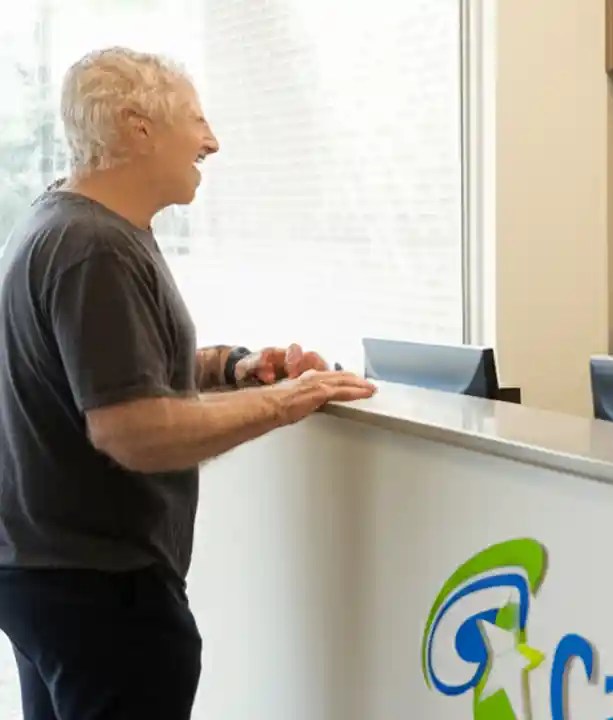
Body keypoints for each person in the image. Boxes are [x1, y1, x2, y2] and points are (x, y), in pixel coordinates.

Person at [0, 47, 377, 719]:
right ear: (137, 126)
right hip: (101, 589)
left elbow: (100, 367)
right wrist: (286, 400)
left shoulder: (59, 225)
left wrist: (228, 367)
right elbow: (131, 431)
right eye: (197, 120)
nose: (213, 141)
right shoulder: (95, 247)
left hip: (48, 579)